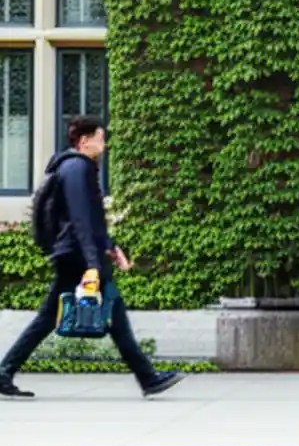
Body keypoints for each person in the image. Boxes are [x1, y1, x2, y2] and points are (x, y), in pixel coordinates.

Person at [0, 115, 183, 399]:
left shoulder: (78, 167)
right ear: (84, 141)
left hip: (78, 253)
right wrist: (94, 265)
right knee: (109, 311)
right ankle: (148, 378)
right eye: (100, 137)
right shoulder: (76, 168)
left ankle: (4, 372)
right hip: (78, 256)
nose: (104, 144)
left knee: (54, 317)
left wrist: (111, 247)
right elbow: (81, 219)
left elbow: (93, 220)